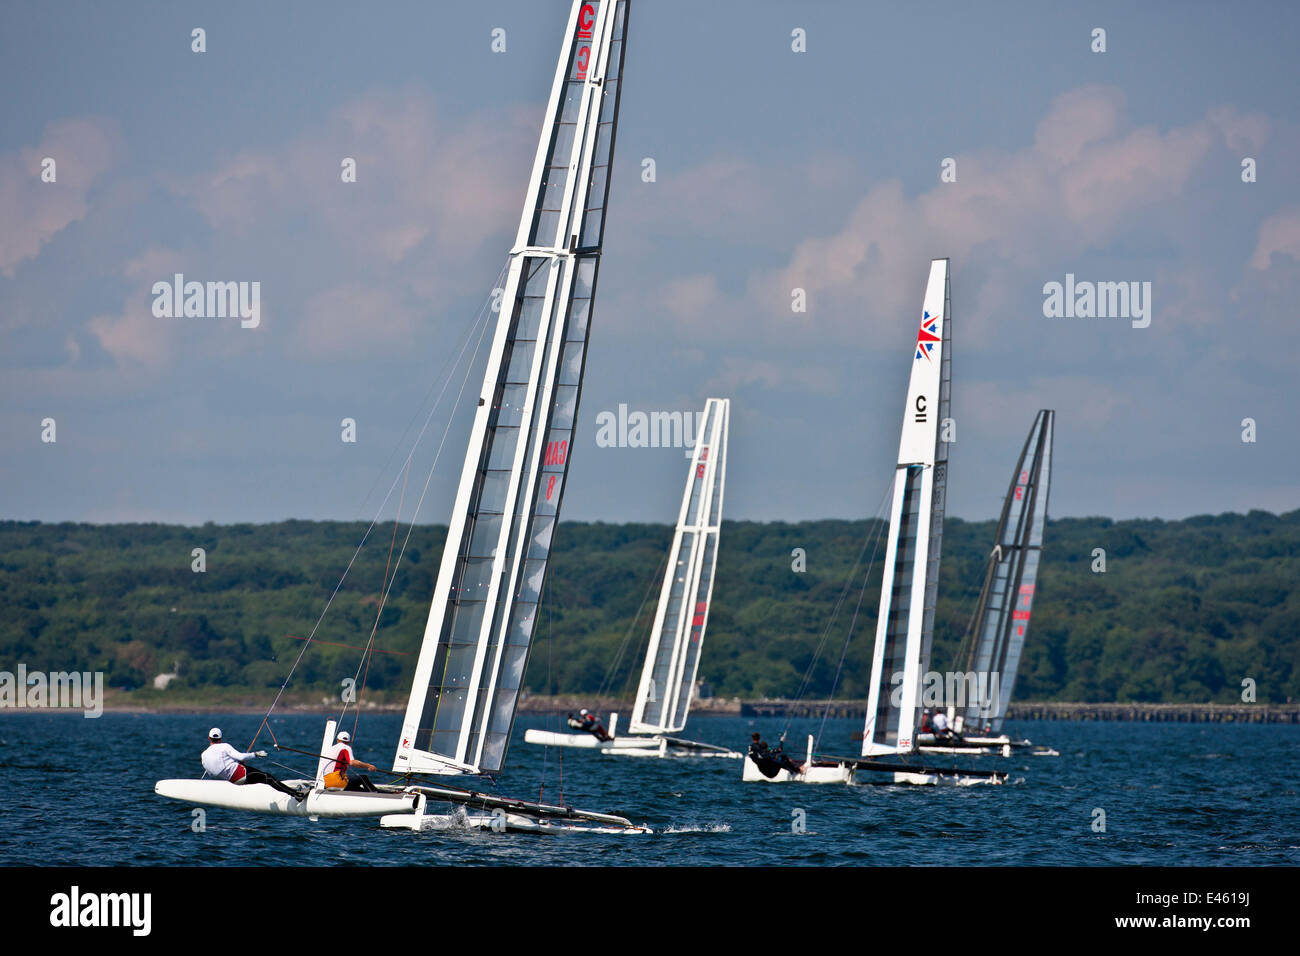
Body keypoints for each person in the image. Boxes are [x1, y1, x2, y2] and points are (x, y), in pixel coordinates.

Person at [201, 728, 305, 801]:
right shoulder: (224, 746)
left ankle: (283, 791)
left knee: (263, 779)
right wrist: (256, 754)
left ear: (209, 738)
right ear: (220, 738)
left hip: (234, 780)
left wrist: (236, 763)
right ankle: (296, 794)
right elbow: (241, 757)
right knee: (268, 778)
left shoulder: (204, 755)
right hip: (241, 774)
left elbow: (212, 773)